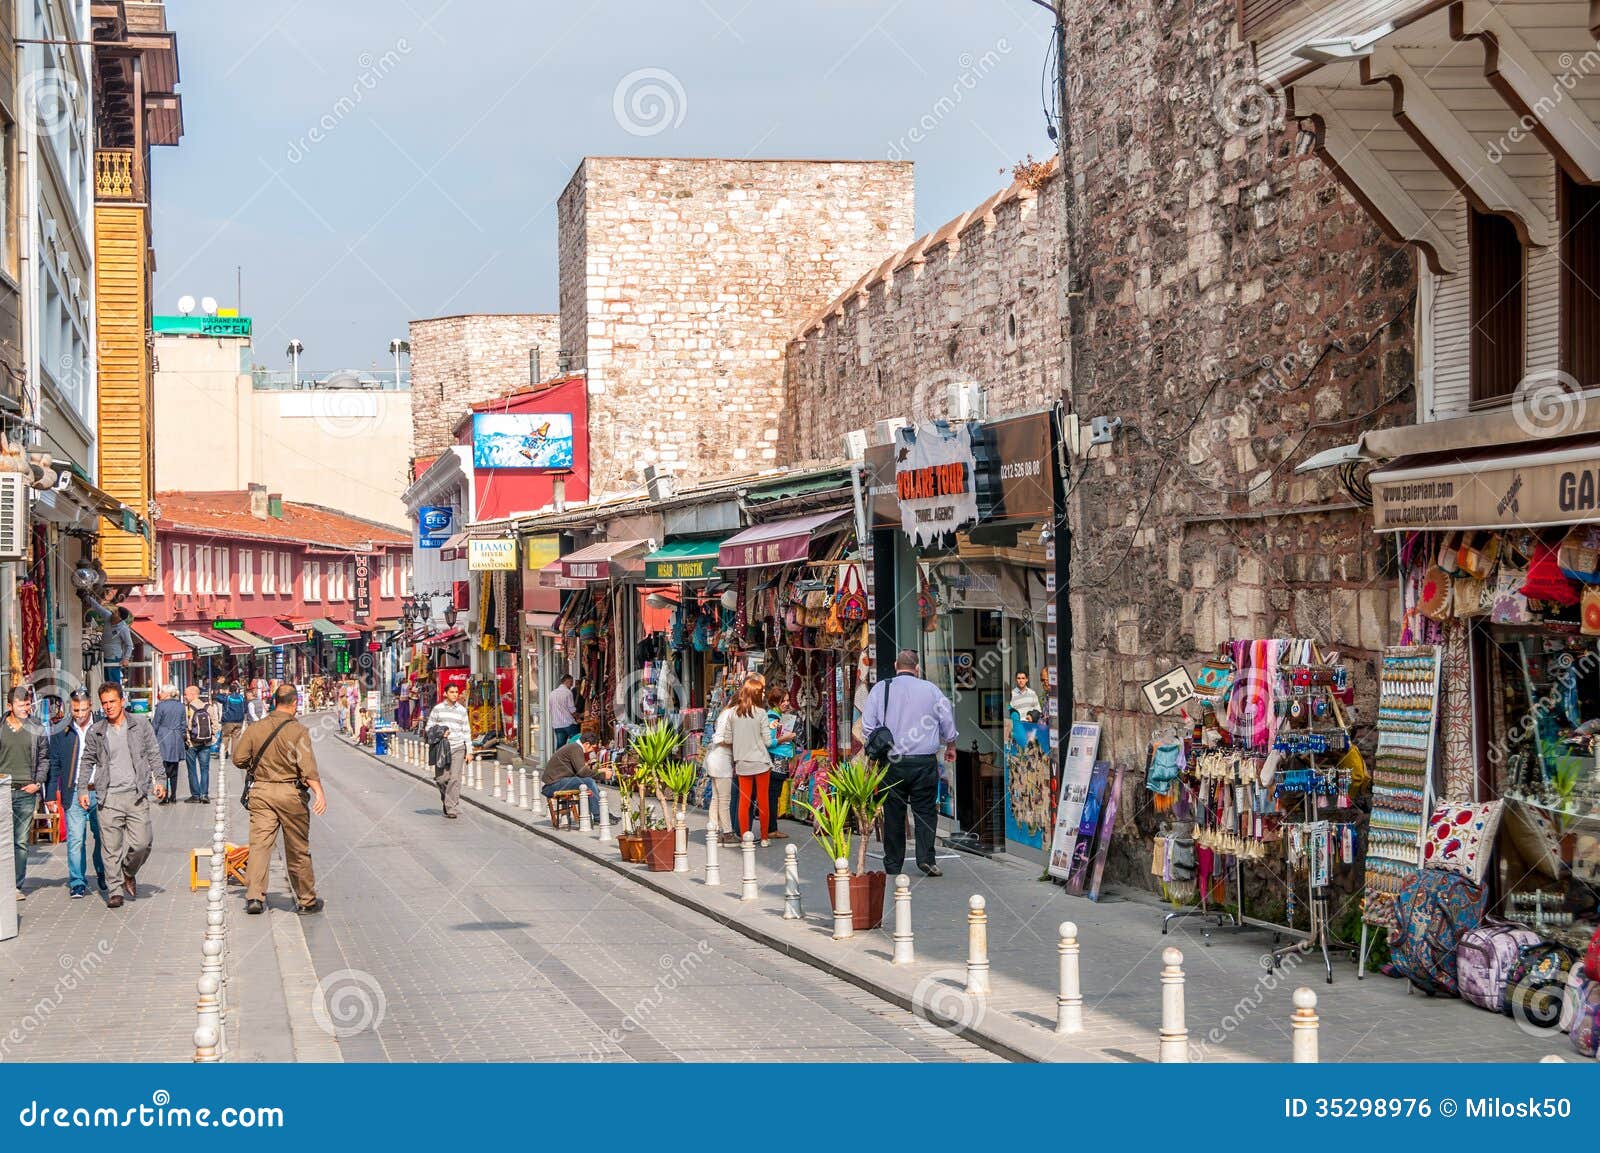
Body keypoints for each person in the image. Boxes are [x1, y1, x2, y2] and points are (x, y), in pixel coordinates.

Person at [860, 649, 957, 878]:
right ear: (917, 668)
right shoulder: (931, 690)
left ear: (895, 665)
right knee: (925, 811)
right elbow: (947, 722)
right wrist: (951, 745)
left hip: (892, 761)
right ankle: (926, 859)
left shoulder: (881, 689)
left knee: (894, 812)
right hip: (924, 762)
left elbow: (867, 727)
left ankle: (893, 864)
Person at [233, 684, 326, 915]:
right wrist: (319, 792)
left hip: (262, 792)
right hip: (290, 794)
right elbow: (307, 768)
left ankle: (254, 897)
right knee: (297, 848)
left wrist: (255, 766)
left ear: (274, 701)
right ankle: (306, 900)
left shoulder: (256, 728)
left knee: (260, 846)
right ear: (294, 703)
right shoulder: (299, 731)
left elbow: (238, 758)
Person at [76, 682, 166, 908]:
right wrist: (82, 789)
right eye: (104, 703)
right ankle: (115, 890)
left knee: (142, 843)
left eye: (112, 702)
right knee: (110, 848)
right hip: (109, 797)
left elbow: (154, 752)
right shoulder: (97, 731)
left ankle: (128, 871)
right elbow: (86, 761)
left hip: (136, 796)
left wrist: (160, 780)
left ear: (122, 702)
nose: (108, 707)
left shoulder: (140, 724)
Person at [48, 690, 108, 898]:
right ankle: (77, 881)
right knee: (75, 839)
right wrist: (49, 795)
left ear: (90, 706)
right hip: (73, 792)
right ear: (69, 708)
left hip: (99, 791)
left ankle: (102, 872)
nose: (80, 714)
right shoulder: (62, 731)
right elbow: (54, 764)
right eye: (75, 710)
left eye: (83, 709)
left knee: (102, 836)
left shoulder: (103, 726)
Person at [3, 686, 49, 900]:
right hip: (3, 790)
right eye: (21, 705)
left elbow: (44, 757)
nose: (25, 708)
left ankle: (15, 885)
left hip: (25, 791)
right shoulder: (1, 726)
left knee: (20, 841)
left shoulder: (36, 727)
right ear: (9, 706)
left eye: (27, 704)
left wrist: (37, 783)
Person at [729, 674, 773, 846]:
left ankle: (745, 837)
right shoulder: (761, 713)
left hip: (741, 762)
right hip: (761, 762)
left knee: (743, 801)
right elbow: (768, 741)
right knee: (763, 801)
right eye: (761, 692)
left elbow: (729, 737)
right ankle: (763, 837)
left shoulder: (733, 713)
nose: (763, 695)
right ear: (755, 694)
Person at [425, 682, 471, 820]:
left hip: (458, 747)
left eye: (456, 692)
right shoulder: (438, 709)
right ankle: (447, 799)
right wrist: (440, 733)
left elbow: (467, 731)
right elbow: (428, 728)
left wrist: (469, 751)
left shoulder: (462, 710)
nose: (455, 694)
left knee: (455, 778)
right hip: (442, 748)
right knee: (441, 779)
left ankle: (451, 807)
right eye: (452, 692)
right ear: (445, 693)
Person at [540, 735, 605, 823]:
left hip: (555, 782)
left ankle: (603, 812)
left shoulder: (574, 747)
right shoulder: (576, 748)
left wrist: (597, 770)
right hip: (551, 786)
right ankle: (599, 815)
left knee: (589, 783)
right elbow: (582, 773)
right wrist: (602, 775)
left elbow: (580, 771)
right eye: (593, 748)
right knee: (589, 782)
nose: (592, 750)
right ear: (587, 744)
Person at [764, 685, 797, 840]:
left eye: (787, 700)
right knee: (772, 795)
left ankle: (772, 827)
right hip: (775, 760)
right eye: (783, 701)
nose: (786, 703)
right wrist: (786, 738)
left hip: (780, 760)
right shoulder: (773, 718)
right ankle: (771, 829)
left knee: (774, 794)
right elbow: (769, 742)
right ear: (775, 702)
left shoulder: (778, 717)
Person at [705, 696, 737, 845]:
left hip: (715, 759)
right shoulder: (731, 714)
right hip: (721, 761)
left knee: (717, 798)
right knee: (724, 799)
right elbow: (720, 738)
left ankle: (714, 831)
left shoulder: (725, 712)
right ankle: (727, 833)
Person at [150, 684, 185, 803]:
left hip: (163, 737)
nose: (160, 694)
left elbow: (156, 723)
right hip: (176, 738)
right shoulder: (181, 706)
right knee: (174, 768)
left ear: (167, 694)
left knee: (163, 768)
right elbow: (183, 724)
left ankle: (164, 795)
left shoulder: (161, 706)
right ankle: (173, 795)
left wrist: (151, 739)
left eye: (162, 692)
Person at [182, 684, 216, 803]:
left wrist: (187, 739)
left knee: (192, 769)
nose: (184, 696)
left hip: (192, 743)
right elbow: (215, 724)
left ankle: (195, 795)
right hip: (206, 743)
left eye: (186, 694)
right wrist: (212, 738)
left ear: (193, 695)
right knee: (205, 769)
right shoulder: (208, 706)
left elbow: (186, 726)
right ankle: (204, 794)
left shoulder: (187, 708)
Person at [218, 680, 247, 761]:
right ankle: (234, 755)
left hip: (228, 720)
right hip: (239, 721)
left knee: (225, 737)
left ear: (229, 690)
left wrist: (222, 692)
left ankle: (224, 753)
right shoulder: (241, 698)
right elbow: (245, 709)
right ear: (237, 690)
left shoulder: (227, 697)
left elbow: (217, 698)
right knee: (236, 738)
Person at [549, 674, 579, 748]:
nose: (571, 685)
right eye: (571, 682)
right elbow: (571, 709)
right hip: (568, 723)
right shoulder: (567, 692)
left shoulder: (552, 693)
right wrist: (578, 717)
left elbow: (550, 708)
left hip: (557, 725)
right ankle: (575, 758)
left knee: (560, 747)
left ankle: (559, 759)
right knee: (577, 745)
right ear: (567, 681)